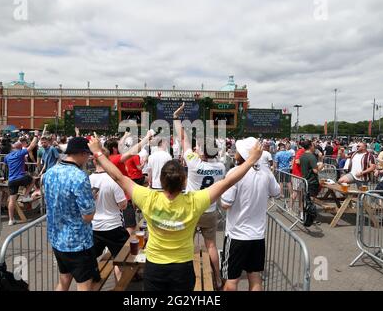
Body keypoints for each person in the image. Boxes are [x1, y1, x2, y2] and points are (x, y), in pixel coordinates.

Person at [87, 129, 263, 290]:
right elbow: (228, 182)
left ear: (161, 182)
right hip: (182, 268)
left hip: (155, 267)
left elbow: (118, 176)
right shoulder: (195, 201)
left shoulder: (147, 197)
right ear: (185, 182)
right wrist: (251, 160)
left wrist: (97, 152)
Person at [173, 103, 225, 289]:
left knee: (185, 244)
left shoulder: (194, 163)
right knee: (211, 245)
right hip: (210, 210)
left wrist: (176, 117)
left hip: (193, 208)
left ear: (202, 152)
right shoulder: (221, 167)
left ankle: (181, 279)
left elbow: (183, 138)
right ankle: (218, 278)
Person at [220, 137, 281, 291]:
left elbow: (225, 204)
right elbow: (277, 192)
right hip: (257, 235)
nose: (235, 152)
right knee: (254, 278)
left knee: (231, 280)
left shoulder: (234, 173)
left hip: (237, 235)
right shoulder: (266, 172)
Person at [43, 137, 100, 291]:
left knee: (64, 280)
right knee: (85, 284)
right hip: (77, 242)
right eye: (88, 155)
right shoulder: (79, 176)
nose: (88, 158)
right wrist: (91, 199)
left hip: (57, 238)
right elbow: (88, 216)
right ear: (81, 154)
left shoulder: (50, 172)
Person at [89, 148, 128, 281]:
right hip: (113, 226)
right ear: (108, 161)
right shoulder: (113, 180)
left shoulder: (87, 179)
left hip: (94, 227)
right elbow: (123, 204)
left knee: (90, 256)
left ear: (94, 161)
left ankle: (92, 278)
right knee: (122, 259)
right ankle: (121, 285)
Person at [4, 135, 38, 225]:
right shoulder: (20, 153)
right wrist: (35, 135)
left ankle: (11, 220)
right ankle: (25, 195)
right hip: (21, 177)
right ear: (20, 147)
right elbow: (32, 146)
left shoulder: (7, 157)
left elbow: (6, 165)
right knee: (33, 180)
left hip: (11, 180)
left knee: (12, 200)